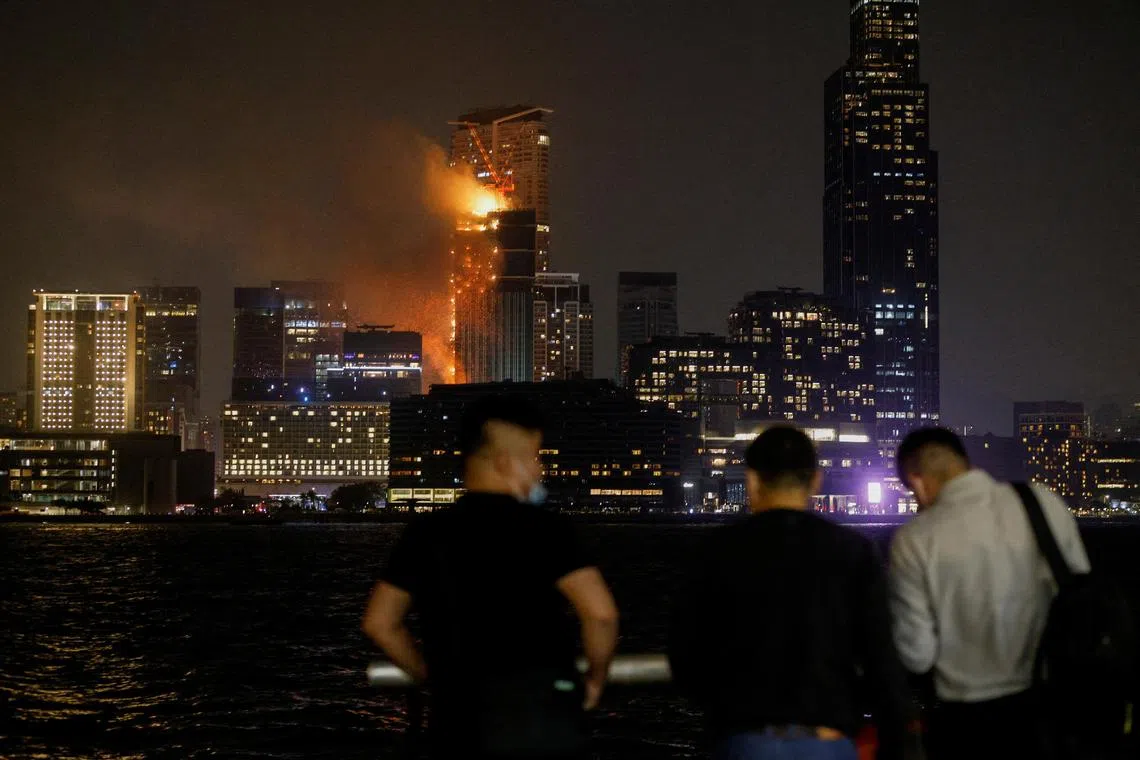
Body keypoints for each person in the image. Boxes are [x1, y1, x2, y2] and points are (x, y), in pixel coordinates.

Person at [362, 395, 619, 760]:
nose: (540, 470)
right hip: (543, 718)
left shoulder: (426, 533)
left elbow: (379, 623)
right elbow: (601, 615)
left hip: (459, 720)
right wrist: (594, 680)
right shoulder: (550, 530)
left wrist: (427, 673)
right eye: (535, 457)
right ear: (505, 462)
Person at [670, 426, 921, 760]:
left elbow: (686, 657)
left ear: (752, 481)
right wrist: (898, 739)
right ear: (816, 481)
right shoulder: (854, 551)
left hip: (746, 739)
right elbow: (881, 659)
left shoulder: (716, 551)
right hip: (827, 740)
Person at [889, 427, 1090, 760]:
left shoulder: (914, 539)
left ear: (917, 481)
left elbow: (917, 653)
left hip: (965, 721)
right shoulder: (1041, 502)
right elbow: (1081, 593)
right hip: (1049, 704)